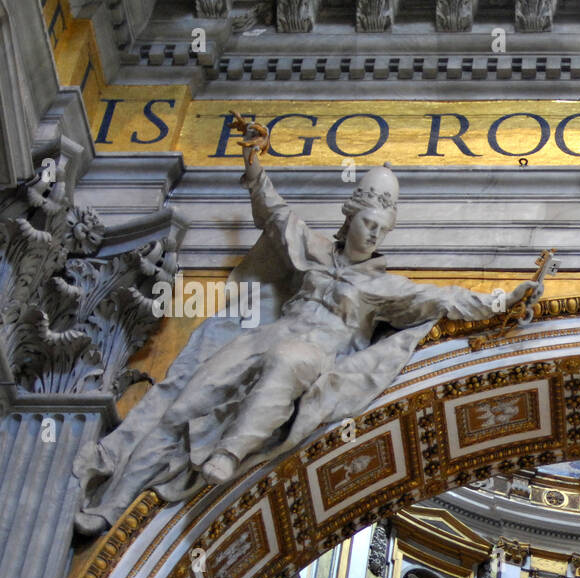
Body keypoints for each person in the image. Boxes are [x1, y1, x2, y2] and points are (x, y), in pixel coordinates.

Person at [74, 118, 542, 536]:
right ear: (350, 216)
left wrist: (504, 298)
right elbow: (273, 215)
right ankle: (112, 502)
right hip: (269, 335)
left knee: (287, 362)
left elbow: (449, 299)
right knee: (182, 408)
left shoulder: (388, 287)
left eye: (382, 228)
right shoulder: (313, 250)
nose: (374, 234)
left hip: (315, 355)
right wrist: (253, 163)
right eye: (368, 222)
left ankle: (231, 452)